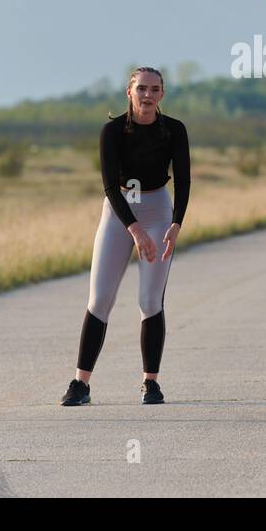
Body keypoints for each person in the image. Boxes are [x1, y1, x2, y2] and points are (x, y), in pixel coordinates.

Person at [61, 67, 190, 407]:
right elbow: (109, 187)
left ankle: (151, 383)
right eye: (141, 89)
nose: (147, 95)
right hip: (119, 214)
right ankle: (80, 384)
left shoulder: (174, 130)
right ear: (129, 92)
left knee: (150, 302)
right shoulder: (113, 131)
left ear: (162, 94)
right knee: (99, 299)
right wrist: (133, 230)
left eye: (155, 89)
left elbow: (185, 181)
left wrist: (175, 224)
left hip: (158, 211)